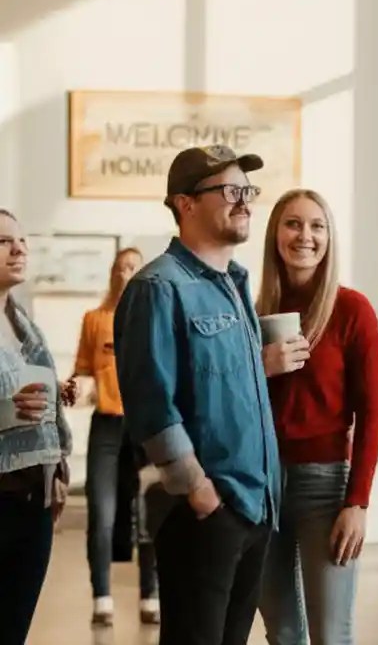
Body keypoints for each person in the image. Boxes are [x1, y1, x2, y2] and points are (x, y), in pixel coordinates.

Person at [115, 145, 281, 645]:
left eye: (247, 191)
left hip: (255, 506)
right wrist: (197, 489)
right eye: (229, 191)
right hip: (204, 510)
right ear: (185, 204)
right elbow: (151, 403)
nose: (244, 201)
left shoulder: (234, 284)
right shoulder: (158, 288)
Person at [255, 189, 378, 645]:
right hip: (261, 484)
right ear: (275, 234)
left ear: (329, 238)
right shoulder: (253, 313)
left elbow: (372, 413)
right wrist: (261, 364)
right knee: (282, 633)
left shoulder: (352, 310)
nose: (304, 236)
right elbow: (234, 403)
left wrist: (358, 503)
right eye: (293, 223)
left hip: (325, 486)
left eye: (316, 226)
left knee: (332, 634)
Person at [0, 209, 74, 645]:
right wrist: (7, 411)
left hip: (35, 503)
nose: (19, 248)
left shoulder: (25, 327)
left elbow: (42, 405)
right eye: (4, 241)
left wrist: (59, 468)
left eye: (22, 240)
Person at [75, 246, 160, 626]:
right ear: (113, 273)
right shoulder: (95, 319)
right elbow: (83, 369)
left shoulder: (154, 319)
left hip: (146, 426)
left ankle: (151, 595)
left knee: (148, 513)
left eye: (133, 268)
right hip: (107, 426)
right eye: (121, 268)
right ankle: (102, 597)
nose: (126, 274)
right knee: (103, 512)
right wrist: (79, 388)